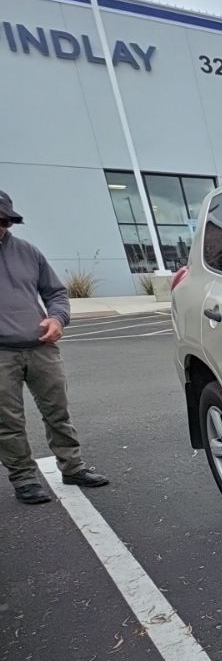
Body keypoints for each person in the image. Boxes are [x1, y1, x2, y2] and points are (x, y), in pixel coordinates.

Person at [0, 190, 108, 504]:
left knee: (58, 413)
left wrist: (58, 320)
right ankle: (23, 480)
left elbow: (56, 294)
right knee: (7, 422)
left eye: (4, 220)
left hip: (40, 348)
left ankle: (72, 467)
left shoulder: (28, 253)